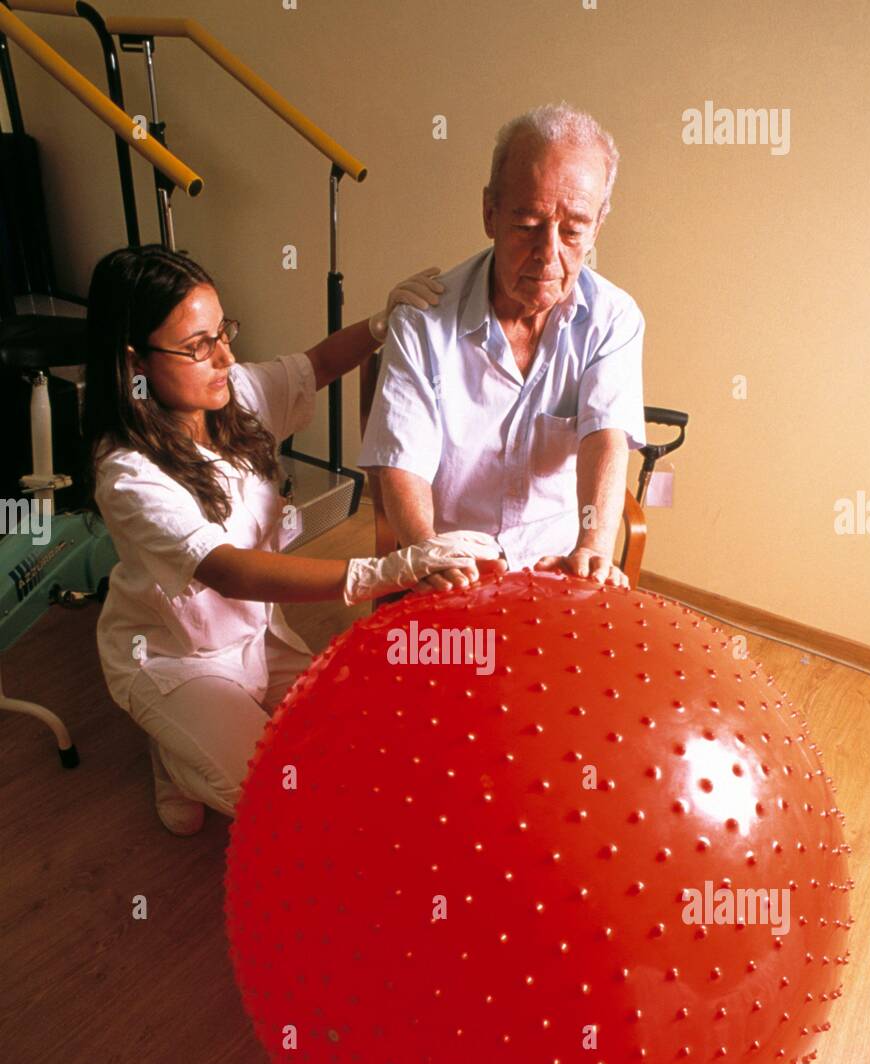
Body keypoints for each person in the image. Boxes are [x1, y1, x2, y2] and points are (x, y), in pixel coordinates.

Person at [83, 245, 504, 835]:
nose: (225, 356)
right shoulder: (128, 472)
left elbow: (315, 366)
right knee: (286, 801)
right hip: (178, 659)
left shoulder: (233, 398)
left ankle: (194, 738)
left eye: (223, 331)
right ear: (137, 364)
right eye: (198, 346)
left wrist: (381, 325)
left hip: (256, 638)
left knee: (359, 752)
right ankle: (175, 757)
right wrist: (383, 571)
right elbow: (227, 569)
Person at [357, 102, 647, 598]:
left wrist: (594, 545)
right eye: (528, 223)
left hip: (556, 566)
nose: (548, 253)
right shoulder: (423, 318)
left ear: (598, 226)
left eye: (573, 230)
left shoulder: (614, 318)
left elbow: (605, 437)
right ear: (490, 211)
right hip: (452, 563)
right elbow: (401, 464)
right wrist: (427, 552)